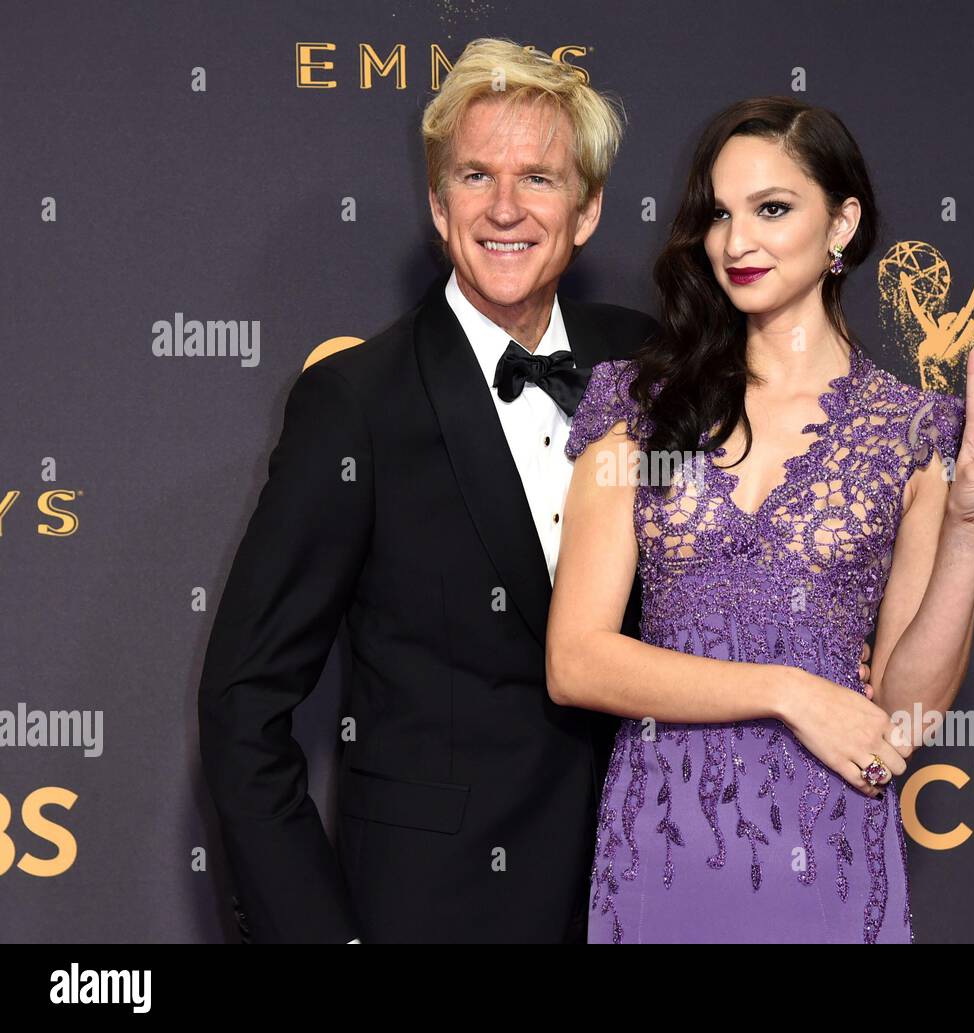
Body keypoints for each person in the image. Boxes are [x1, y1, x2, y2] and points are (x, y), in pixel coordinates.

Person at [548, 96, 974, 943]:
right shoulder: (635, 404)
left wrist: (968, 535)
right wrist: (787, 692)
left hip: (828, 845)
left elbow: (903, 720)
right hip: (664, 845)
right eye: (719, 214)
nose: (736, 242)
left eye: (772, 209)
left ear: (842, 223)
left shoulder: (911, 430)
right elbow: (576, 660)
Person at [196, 38, 659, 943]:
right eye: (476, 175)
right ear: (440, 207)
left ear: (590, 207)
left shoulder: (649, 362)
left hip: (648, 889)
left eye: (539, 178)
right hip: (436, 911)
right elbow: (242, 702)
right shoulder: (356, 403)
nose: (505, 208)